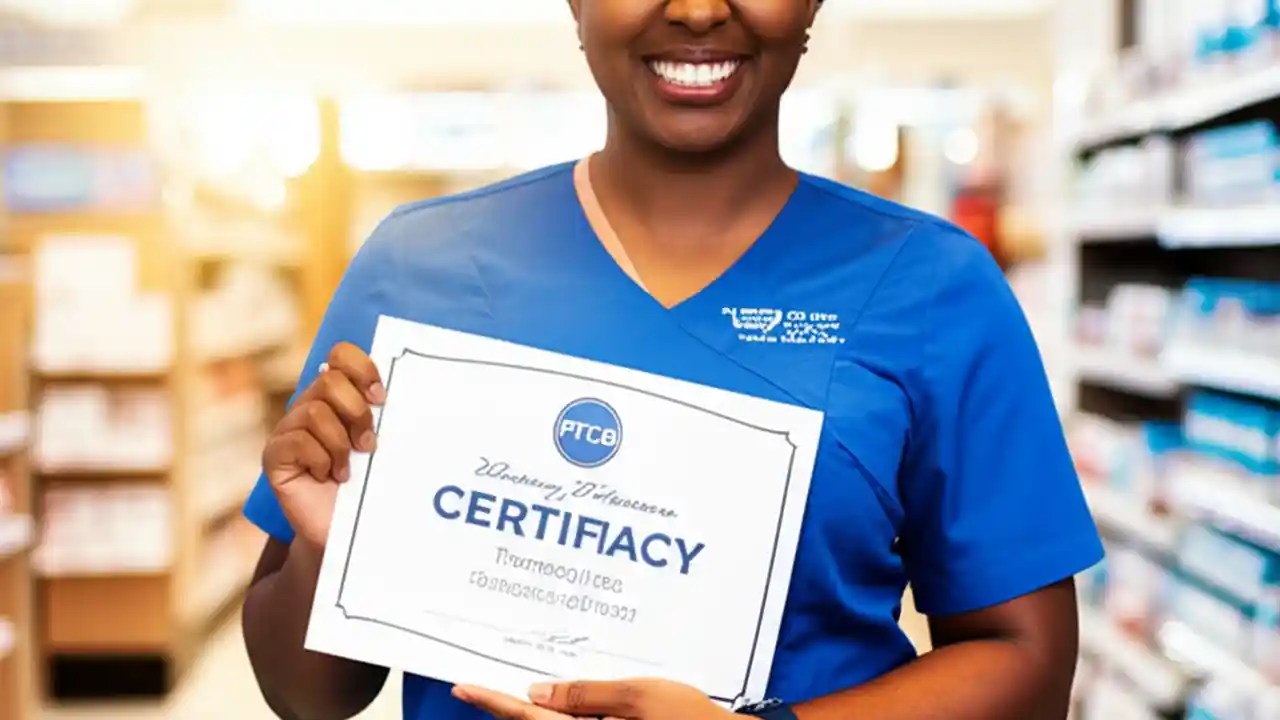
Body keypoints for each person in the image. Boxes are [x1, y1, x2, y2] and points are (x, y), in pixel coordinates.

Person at [241, 1, 1104, 719]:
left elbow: (1025, 662)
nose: (696, 7)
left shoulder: (933, 287)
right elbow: (306, 697)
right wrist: (331, 549)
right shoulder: (420, 265)